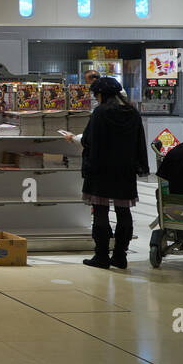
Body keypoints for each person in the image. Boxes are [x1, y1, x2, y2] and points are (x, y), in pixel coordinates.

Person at [63, 76, 148, 269]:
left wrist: (75, 139)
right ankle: (120, 255)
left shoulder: (101, 113)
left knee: (100, 212)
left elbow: (89, 140)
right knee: (124, 212)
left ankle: (101, 255)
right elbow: (139, 142)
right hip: (125, 171)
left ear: (101, 95)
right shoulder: (132, 113)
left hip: (101, 170)